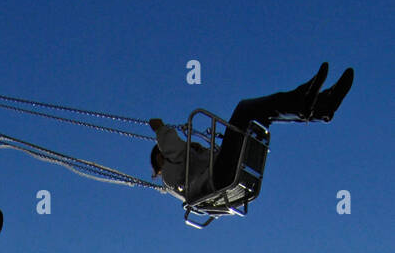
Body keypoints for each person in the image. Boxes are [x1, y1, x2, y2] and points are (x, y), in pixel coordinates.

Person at [149, 62, 354, 201]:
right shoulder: (169, 175)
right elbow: (175, 150)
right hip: (219, 180)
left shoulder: (189, 167)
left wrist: (199, 149)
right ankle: (306, 100)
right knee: (245, 109)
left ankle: (319, 107)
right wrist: (160, 129)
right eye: (162, 151)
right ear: (160, 157)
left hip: (224, 177)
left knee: (259, 117)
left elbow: (202, 157)